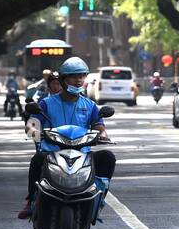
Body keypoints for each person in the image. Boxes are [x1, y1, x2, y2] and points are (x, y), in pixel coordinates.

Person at [19, 56, 115, 219]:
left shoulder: (90, 105)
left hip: (82, 153)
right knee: (37, 159)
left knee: (107, 157)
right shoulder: (46, 103)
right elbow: (33, 123)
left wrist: (103, 135)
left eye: (82, 76)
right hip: (53, 152)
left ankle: (97, 200)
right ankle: (31, 200)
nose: (79, 80)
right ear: (63, 79)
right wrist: (32, 130)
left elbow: (99, 126)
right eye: (74, 76)